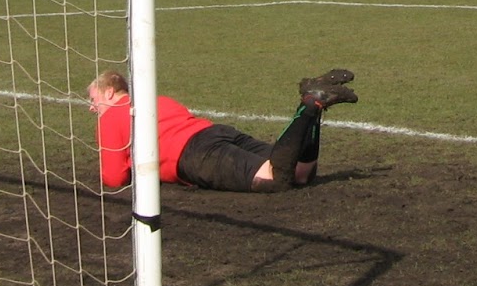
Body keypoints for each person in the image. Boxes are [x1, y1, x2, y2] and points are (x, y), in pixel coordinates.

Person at [89, 67, 357, 193]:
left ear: (109, 92)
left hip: (195, 154)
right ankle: (316, 108)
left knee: (275, 178)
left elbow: (114, 177)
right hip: (216, 133)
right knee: (299, 171)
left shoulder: (110, 116)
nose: (92, 108)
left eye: (93, 99)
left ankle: (311, 104)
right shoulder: (156, 100)